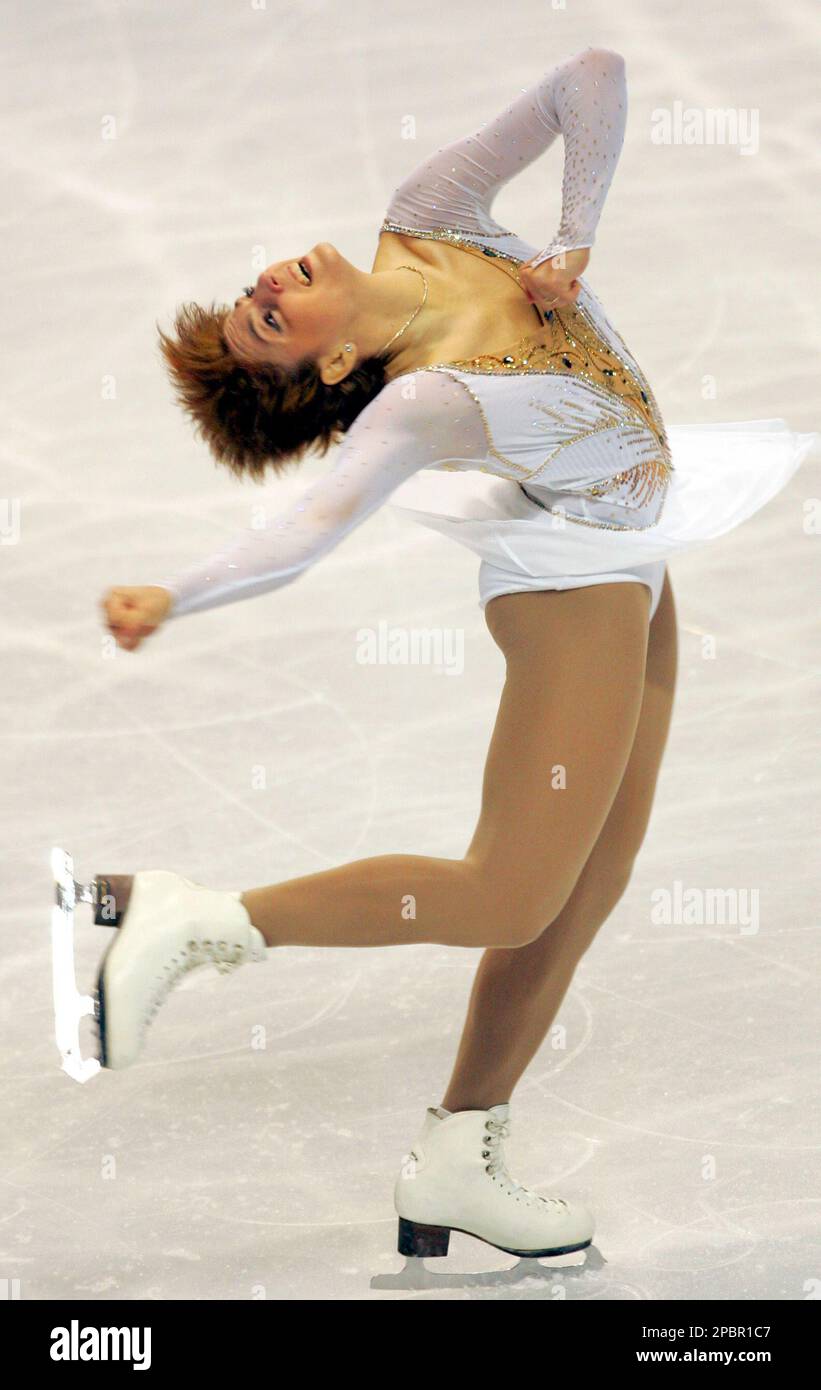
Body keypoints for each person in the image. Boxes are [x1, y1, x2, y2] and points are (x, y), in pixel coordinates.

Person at [98, 48, 815, 1261]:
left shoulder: (427, 221)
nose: (271, 278)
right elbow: (299, 534)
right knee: (509, 885)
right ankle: (203, 916)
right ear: (329, 366)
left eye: (255, 289)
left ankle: (455, 1156)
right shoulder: (422, 403)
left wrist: (572, 235)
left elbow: (586, 77)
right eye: (272, 317)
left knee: (585, 885)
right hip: (571, 588)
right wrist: (176, 592)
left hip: (636, 548)